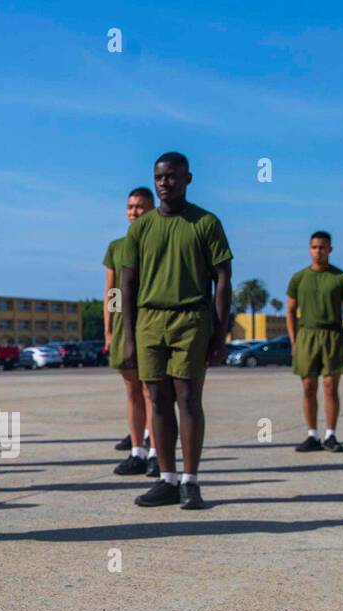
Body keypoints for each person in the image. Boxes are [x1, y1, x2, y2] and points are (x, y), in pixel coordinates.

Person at [120, 152, 233, 510]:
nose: (165, 182)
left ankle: (191, 481)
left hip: (191, 320)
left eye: (172, 176)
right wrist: (128, 336)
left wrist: (219, 333)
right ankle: (166, 478)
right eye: (159, 177)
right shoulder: (140, 228)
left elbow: (223, 278)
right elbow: (127, 283)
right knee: (158, 399)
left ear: (187, 178)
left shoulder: (205, 223)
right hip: (150, 321)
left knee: (188, 398)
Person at [286, 232, 343, 453]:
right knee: (308, 386)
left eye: (323, 247)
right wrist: (294, 340)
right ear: (309, 249)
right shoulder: (299, 278)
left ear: (330, 250)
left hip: (332, 334)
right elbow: (290, 310)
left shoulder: (341, 278)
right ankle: (312, 435)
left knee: (330, 387)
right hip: (307, 334)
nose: (319, 251)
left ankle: (331, 434)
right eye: (315, 247)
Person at [106, 187, 157, 476]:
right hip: (123, 326)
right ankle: (136, 450)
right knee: (132, 391)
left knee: (151, 390)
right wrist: (109, 329)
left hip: (149, 321)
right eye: (130, 207)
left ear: (151, 209)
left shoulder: (158, 242)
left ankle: (154, 451)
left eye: (139, 207)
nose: (134, 212)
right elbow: (112, 291)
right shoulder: (117, 247)